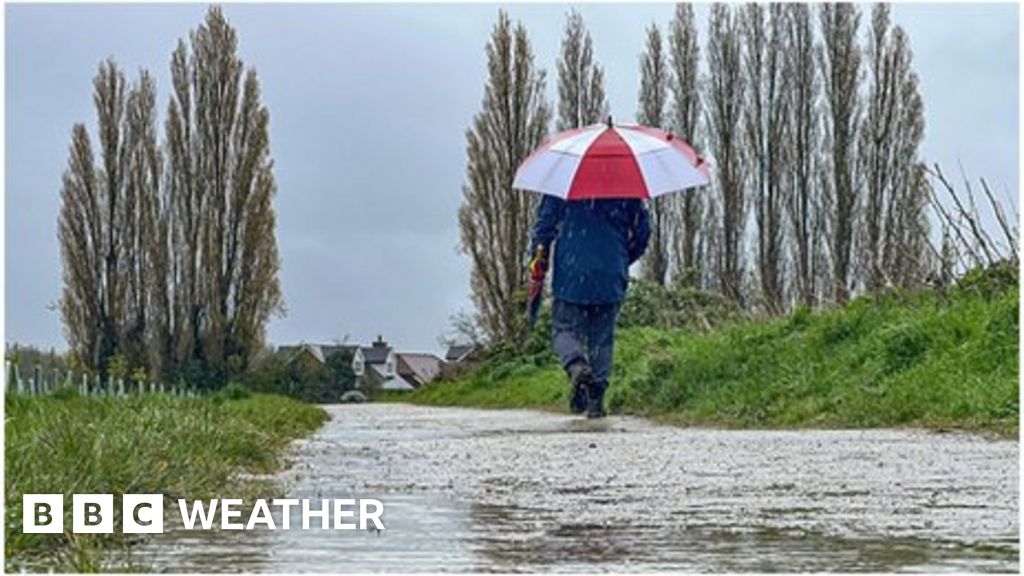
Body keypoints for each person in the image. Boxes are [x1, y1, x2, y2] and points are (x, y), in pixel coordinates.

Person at [528, 195, 650, 418]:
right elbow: (642, 234)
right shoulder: (626, 187)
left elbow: (544, 230)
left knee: (564, 329)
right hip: (611, 271)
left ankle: (576, 365)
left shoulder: (563, 184)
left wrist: (539, 262)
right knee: (602, 339)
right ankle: (596, 400)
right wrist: (621, 257)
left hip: (572, 271)